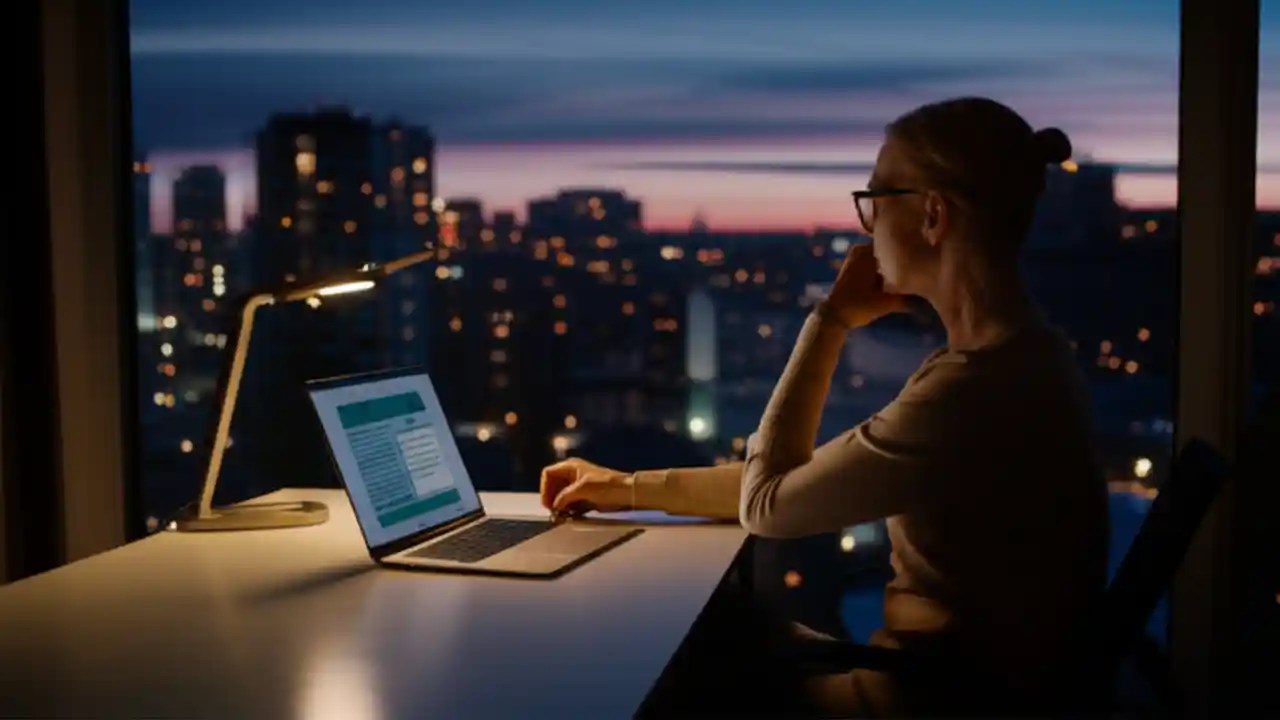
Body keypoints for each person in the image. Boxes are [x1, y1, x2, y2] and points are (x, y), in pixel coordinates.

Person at [540, 97, 1108, 717]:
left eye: (874, 200)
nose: (865, 226)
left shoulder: (972, 392)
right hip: (958, 686)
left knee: (649, 653)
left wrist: (830, 321)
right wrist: (624, 488)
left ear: (933, 215)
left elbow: (767, 504)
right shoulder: (1028, 359)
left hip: (920, 701)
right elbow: (795, 487)